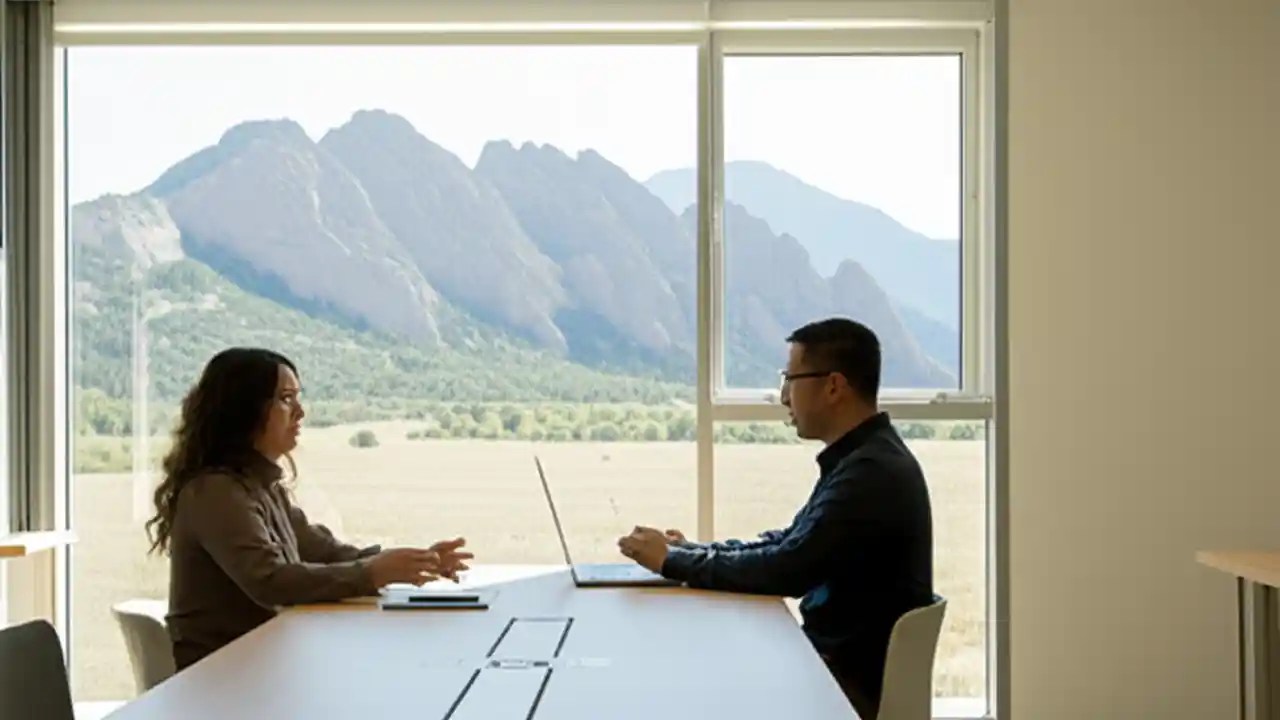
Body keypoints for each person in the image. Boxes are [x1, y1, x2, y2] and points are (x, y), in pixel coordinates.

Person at [617, 318, 933, 718]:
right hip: (830, 667)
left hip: (841, 688)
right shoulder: (863, 459)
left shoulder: (872, 472)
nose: (783, 397)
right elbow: (790, 542)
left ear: (833, 386)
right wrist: (691, 551)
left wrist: (673, 561)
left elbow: (788, 569)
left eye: (790, 379)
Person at [146, 347, 473, 671]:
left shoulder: (260, 486)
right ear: (244, 410)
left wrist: (414, 561)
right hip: (224, 680)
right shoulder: (216, 491)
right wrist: (374, 572)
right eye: (286, 399)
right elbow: (271, 581)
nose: (300, 412)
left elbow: (325, 552)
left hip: (262, 666)